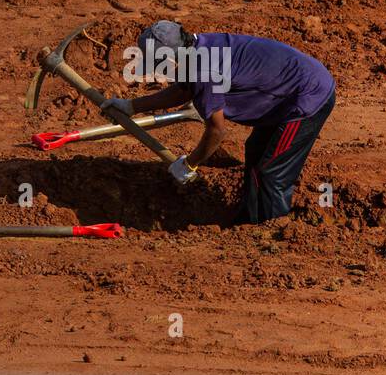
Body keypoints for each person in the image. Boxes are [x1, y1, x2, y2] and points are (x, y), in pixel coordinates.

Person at [101, 21, 335, 224]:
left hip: (308, 98)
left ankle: (273, 231)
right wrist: (131, 106)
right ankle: (250, 220)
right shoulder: (199, 46)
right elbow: (183, 91)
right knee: (255, 151)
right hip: (289, 89)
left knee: (272, 173)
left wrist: (190, 164)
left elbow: (217, 131)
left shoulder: (203, 70)